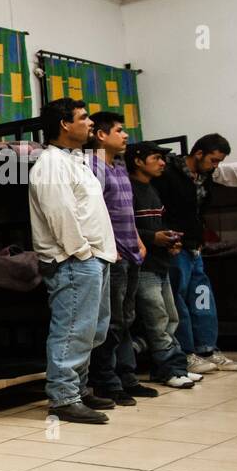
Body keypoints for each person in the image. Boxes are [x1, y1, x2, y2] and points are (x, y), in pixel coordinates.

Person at [28, 98, 117, 424]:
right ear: (65, 124)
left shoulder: (75, 161)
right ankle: (64, 398)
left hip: (91, 258)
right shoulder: (51, 163)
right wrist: (82, 253)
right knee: (72, 331)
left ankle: (77, 389)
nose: (90, 123)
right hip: (74, 260)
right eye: (83, 118)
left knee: (92, 331)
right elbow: (60, 215)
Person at [155, 134, 237, 373]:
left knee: (202, 296)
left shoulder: (205, 177)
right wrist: (169, 238)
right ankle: (186, 353)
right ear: (198, 154)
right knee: (179, 299)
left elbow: (200, 211)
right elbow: (161, 210)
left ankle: (207, 347)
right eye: (213, 160)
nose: (215, 166)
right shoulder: (169, 173)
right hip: (175, 245)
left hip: (195, 245)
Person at [87, 111, 157, 406]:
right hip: (112, 255)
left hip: (131, 252)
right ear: (101, 135)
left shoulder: (118, 165)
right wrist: (109, 248)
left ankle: (127, 376)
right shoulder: (91, 167)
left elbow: (125, 211)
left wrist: (139, 241)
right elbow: (96, 213)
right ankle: (106, 381)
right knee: (112, 322)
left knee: (127, 320)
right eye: (118, 130)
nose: (125, 135)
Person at [127, 141, 196, 390]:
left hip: (159, 262)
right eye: (156, 158)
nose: (162, 163)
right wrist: (152, 238)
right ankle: (170, 369)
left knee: (171, 317)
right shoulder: (129, 188)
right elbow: (125, 227)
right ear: (137, 161)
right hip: (143, 265)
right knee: (157, 319)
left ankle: (172, 367)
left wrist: (169, 240)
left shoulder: (152, 189)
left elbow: (156, 224)